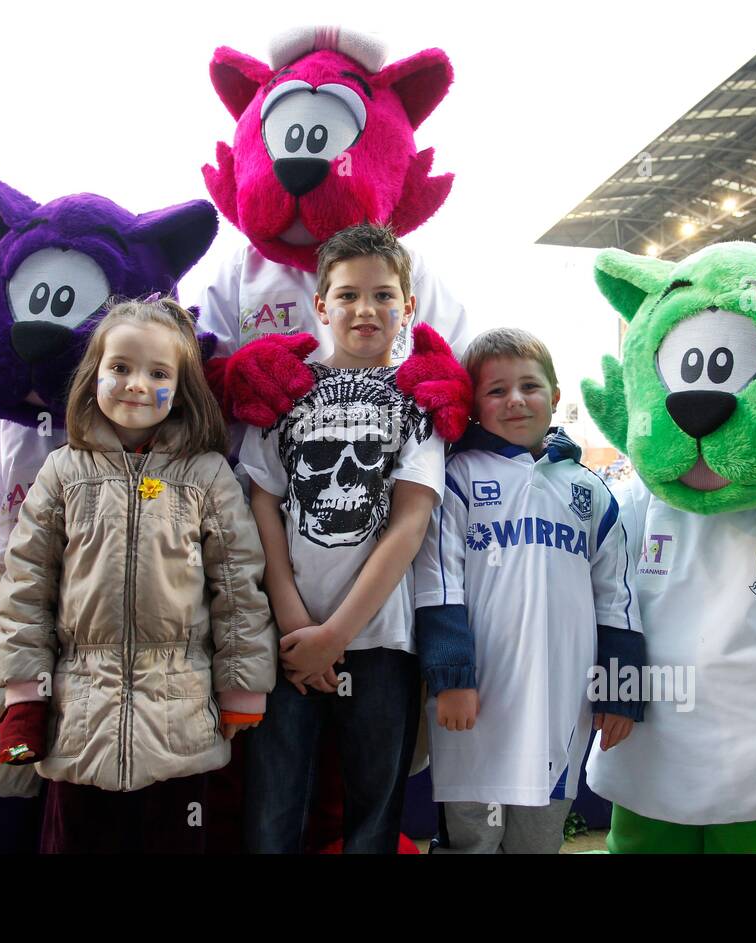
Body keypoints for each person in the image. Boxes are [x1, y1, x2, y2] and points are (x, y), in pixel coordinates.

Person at [0, 298, 277, 853]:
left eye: (158, 373)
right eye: (120, 367)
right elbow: (26, 587)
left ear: (182, 386)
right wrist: (25, 697)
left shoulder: (207, 475)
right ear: (94, 373)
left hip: (181, 715)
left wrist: (242, 685)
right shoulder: (63, 471)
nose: (136, 385)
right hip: (78, 717)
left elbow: (238, 587)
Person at [240, 224, 445, 853]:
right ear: (321, 305)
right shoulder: (287, 392)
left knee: (373, 812)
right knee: (272, 808)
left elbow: (409, 524)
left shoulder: (420, 401)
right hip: (290, 635)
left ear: (408, 307)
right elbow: (264, 504)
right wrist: (296, 619)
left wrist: (338, 635)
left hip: (380, 641)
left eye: (384, 295)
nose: (366, 309)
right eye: (348, 295)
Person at [412, 328, 645, 853]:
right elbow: (437, 583)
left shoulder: (588, 489)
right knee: (472, 838)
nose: (514, 400)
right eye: (495, 391)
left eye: (529, 386)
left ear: (556, 397)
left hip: (561, 701)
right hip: (474, 700)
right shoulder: (457, 478)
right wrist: (451, 677)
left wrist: (621, 690)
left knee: (538, 841)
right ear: (474, 403)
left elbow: (617, 598)